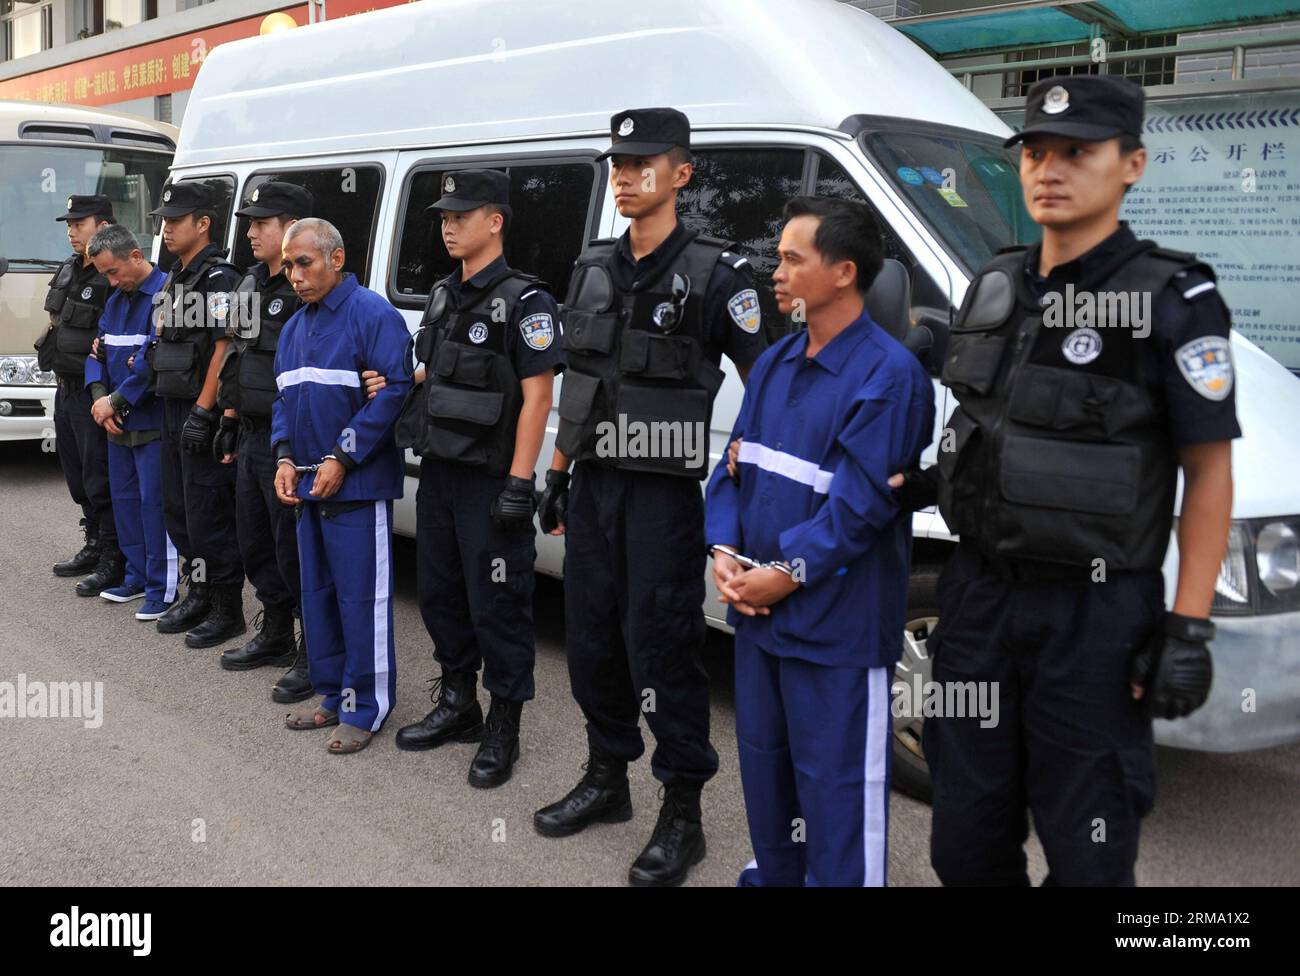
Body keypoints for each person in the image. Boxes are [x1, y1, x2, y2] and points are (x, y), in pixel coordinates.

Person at [890, 75, 1238, 885]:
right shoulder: (996, 287)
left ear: (1132, 165)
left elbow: (1208, 474)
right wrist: (916, 484)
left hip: (1095, 617)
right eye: (1036, 152)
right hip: (975, 606)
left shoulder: (1174, 298)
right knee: (965, 844)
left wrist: (1188, 629)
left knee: (1089, 853)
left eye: (1077, 152)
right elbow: (990, 433)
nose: (1049, 169)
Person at [531, 107, 767, 886]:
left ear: (682, 174)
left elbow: (769, 379)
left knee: (662, 648)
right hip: (595, 487)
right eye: (619, 165)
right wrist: (558, 471)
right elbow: (582, 384)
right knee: (592, 640)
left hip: (663, 500)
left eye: (643, 164)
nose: (626, 177)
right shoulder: (593, 265)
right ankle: (607, 780)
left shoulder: (716, 275)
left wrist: (739, 458)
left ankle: (683, 812)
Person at [705, 196, 934, 886]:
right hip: (760, 621)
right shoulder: (775, 362)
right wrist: (723, 550)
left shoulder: (890, 377)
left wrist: (785, 572)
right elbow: (732, 469)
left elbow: (861, 505)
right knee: (768, 778)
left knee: (836, 795)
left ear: (843, 272)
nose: (776, 272)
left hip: (834, 628)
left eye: (791, 259)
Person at [383, 170, 563, 787]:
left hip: (490, 483)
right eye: (443, 217)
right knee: (440, 595)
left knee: (498, 606)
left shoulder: (526, 302)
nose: (449, 225)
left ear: (496, 221)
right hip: (439, 474)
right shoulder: (441, 295)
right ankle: (459, 703)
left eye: (462, 215)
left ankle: (503, 727)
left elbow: (538, 398)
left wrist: (520, 482)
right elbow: (431, 378)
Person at [273, 218, 411, 755]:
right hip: (308, 487)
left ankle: (367, 706)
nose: (294, 275)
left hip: (355, 487)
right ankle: (332, 693)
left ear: (336, 258)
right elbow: (283, 403)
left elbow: (393, 392)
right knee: (320, 596)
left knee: (363, 600)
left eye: (303, 262)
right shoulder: (293, 327)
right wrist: (284, 459)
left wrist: (344, 457)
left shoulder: (372, 313)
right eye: (287, 265)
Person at [214, 181, 314, 705]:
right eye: (249, 223)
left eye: (262, 222)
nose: (251, 231)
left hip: (289, 442)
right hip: (251, 433)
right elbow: (237, 354)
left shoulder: (306, 288)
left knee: (294, 549)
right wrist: (226, 416)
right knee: (257, 543)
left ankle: (312, 647)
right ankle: (274, 631)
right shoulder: (251, 282)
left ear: (292, 227)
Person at [145, 181, 246, 648]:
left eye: (175, 220)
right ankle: (198, 590)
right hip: (170, 403)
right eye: (164, 220)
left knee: (208, 511)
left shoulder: (221, 278)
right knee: (179, 508)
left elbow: (226, 346)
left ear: (203, 224)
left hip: (197, 407)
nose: (166, 228)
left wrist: (206, 410)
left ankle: (227, 608)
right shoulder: (174, 276)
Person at [84, 224, 178, 620]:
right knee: (126, 503)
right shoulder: (116, 300)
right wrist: (99, 399)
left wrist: (114, 401)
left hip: (150, 423)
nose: (110, 280)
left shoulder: (165, 296)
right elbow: (97, 356)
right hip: (116, 424)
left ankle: (163, 588)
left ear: (136, 257)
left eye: (112, 271)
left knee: (155, 506)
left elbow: (151, 365)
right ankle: (137, 576)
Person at [38, 195, 119, 593]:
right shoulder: (70, 268)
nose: (71, 230)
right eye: (68, 224)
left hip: (93, 392)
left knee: (99, 475)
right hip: (64, 388)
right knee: (76, 477)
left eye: (79, 222)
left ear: (102, 226)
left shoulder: (111, 274)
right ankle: (92, 541)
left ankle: (112, 555)